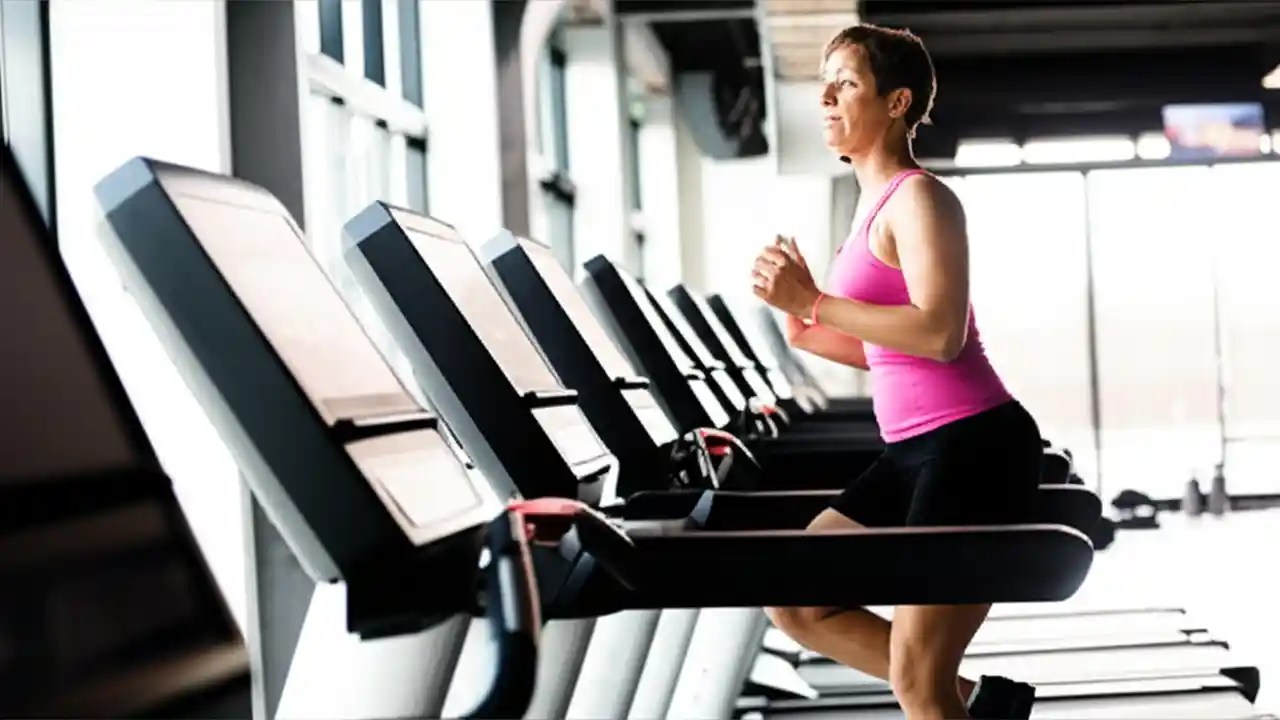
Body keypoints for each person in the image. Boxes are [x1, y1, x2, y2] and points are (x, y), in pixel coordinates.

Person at [751, 24, 1044, 720]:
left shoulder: (922, 199)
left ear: (896, 101)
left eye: (846, 82)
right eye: (824, 83)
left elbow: (940, 335)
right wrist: (801, 325)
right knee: (796, 600)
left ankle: (948, 697)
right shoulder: (869, 207)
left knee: (916, 678)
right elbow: (889, 351)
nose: (824, 96)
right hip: (916, 451)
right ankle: (979, 705)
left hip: (973, 446)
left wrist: (816, 299)